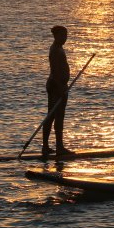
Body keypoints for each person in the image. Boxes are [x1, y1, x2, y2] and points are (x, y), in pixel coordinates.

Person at [44, 25, 72, 156]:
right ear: (56, 36)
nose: (65, 38)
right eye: (63, 35)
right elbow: (55, 71)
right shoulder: (55, 50)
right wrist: (60, 88)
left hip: (59, 85)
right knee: (56, 116)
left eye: (66, 36)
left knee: (53, 115)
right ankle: (58, 147)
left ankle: (48, 147)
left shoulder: (59, 48)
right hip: (56, 86)